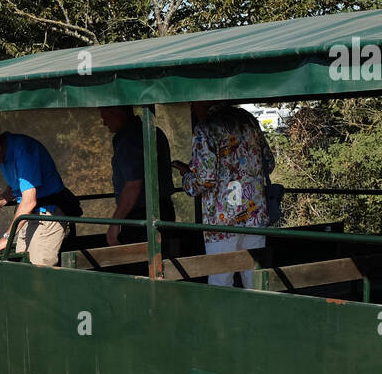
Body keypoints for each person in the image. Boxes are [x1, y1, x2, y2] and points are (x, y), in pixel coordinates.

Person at [172, 101, 275, 287]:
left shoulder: (205, 127)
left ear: (203, 100)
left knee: (221, 281)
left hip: (222, 222)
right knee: (256, 281)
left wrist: (187, 176)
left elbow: (204, 180)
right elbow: (269, 162)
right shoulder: (248, 119)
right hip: (255, 216)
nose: (191, 109)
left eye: (193, 103)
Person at [0, 123, 75, 267]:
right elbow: (18, 187)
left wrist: (6, 239)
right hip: (29, 217)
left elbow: (29, 201)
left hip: (48, 215)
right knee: (21, 269)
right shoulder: (5, 154)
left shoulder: (24, 151)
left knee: (37, 274)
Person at [99, 106, 176, 246]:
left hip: (143, 215)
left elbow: (133, 185)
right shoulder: (155, 131)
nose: (104, 123)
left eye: (105, 117)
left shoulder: (130, 139)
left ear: (119, 112)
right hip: (164, 210)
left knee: (141, 262)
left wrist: (115, 223)